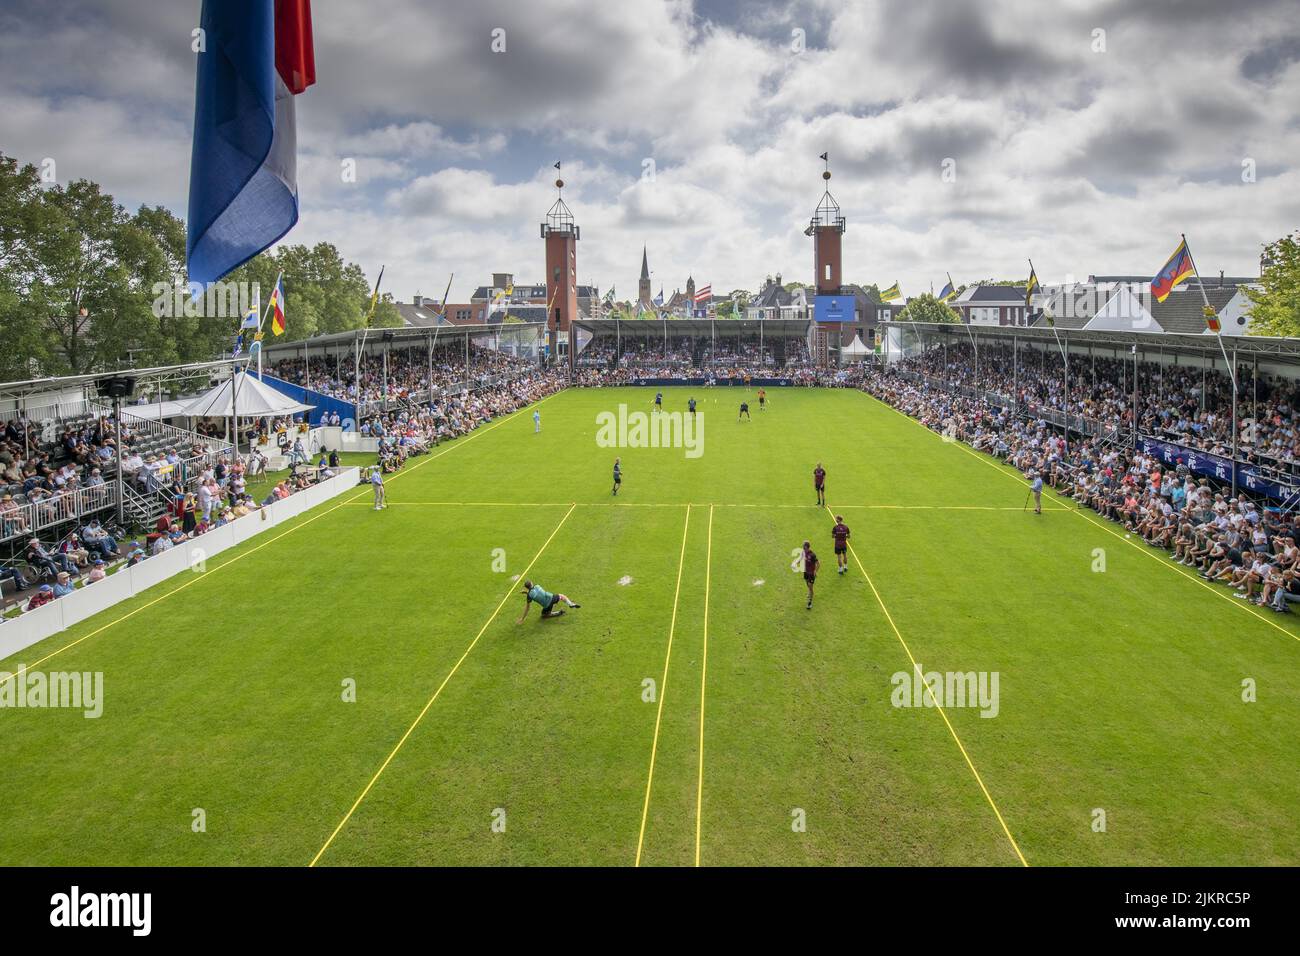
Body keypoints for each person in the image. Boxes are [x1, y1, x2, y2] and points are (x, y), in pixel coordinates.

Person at [516, 579, 580, 621]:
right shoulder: (537, 586)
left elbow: (528, 607)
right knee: (561, 596)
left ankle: (558, 613)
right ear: (531, 583)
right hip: (551, 598)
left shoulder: (529, 595)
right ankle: (571, 604)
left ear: (526, 587)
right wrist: (526, 592)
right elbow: (535, 592)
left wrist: (522, 619)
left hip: (546, 605)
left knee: (544, 615)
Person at [801, 540, 820, 610]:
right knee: (807, 584)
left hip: (811, 573)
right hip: (806, 572)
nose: (802, 546)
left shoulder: (812, 555)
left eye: (803, 545)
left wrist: (815, 571)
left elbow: (818, 564)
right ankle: (809, 592)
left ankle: (809, 603)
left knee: (810, 586)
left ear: (806, 546)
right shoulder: (804, 553)